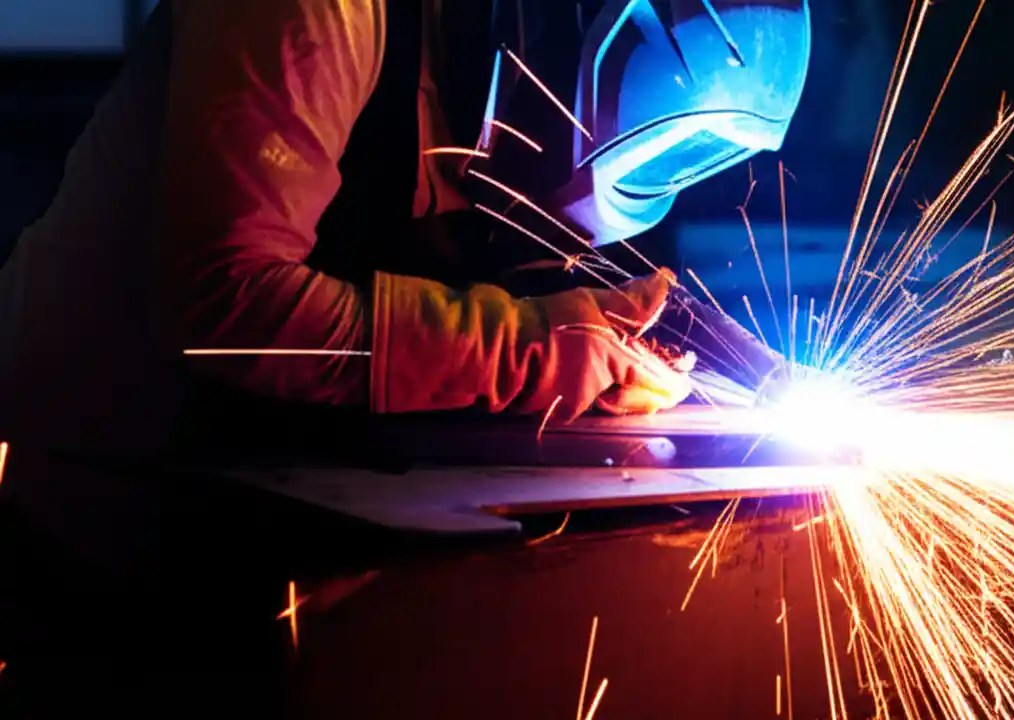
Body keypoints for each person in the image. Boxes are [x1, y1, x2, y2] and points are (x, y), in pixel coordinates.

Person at [0, 0, 812, 458]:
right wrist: (525, 351)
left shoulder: (495, 75)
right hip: (76, 504)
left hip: (249, 497)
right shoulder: (319, 13)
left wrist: (664, 332)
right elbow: (221, 301)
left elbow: (521, 249)